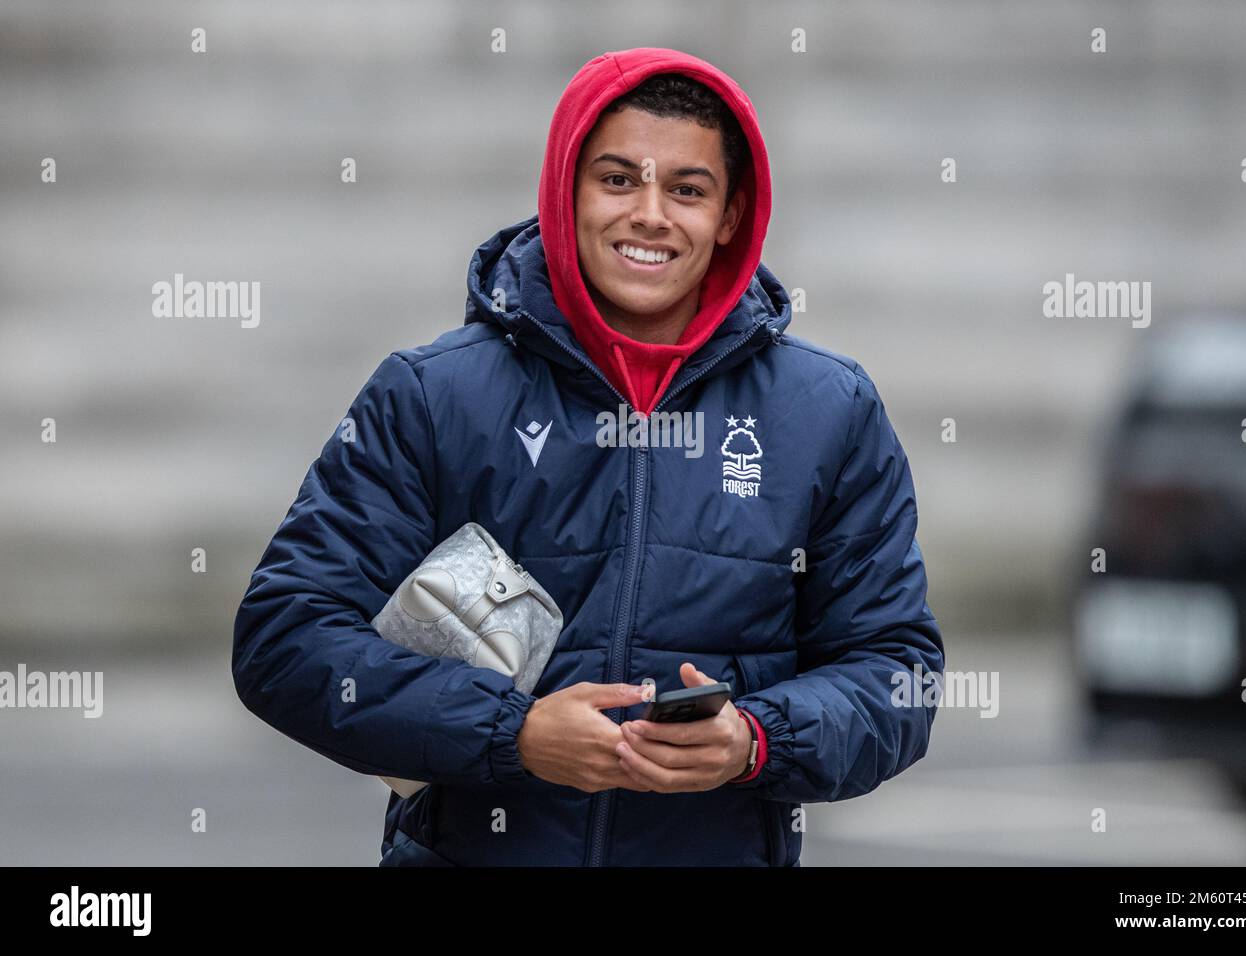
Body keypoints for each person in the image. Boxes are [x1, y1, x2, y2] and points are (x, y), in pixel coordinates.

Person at [231, 47, 944, 867]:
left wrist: (754, 741)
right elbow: (285, 640)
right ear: (563, 192)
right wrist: (514, 734)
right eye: (616, 180)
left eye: (686, 189)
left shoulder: (828, 410)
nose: (650, 214)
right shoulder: (432, 396)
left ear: (731, 215)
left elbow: (896, 673)